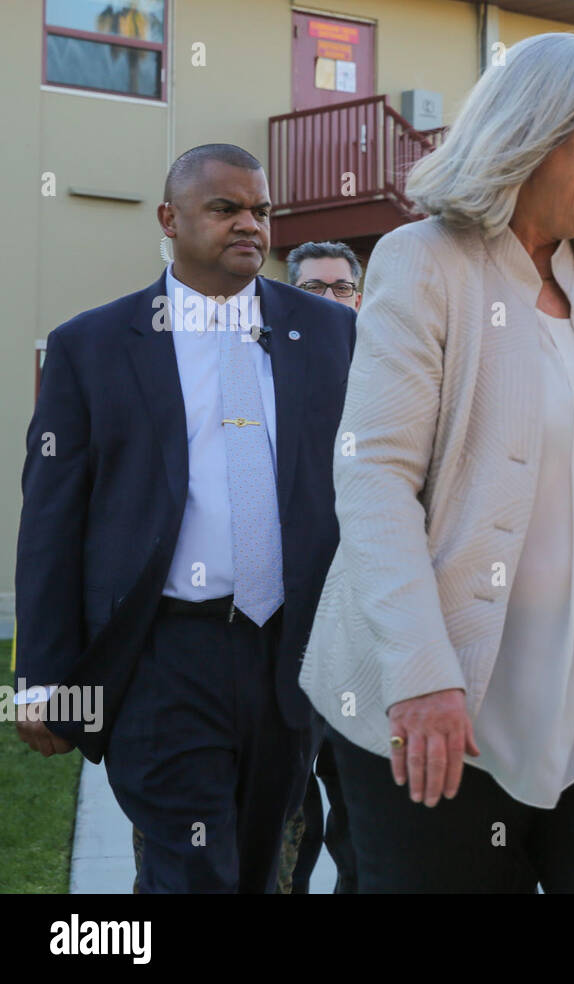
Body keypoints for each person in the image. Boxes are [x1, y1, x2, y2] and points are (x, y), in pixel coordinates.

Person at [299, 32, 574, 893]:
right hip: (450, 698)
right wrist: (421, 672)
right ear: (540, 131)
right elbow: (374, 477)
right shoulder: (423, 262)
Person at [15, 144, 357, 893]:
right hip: (161, 657)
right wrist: (41, 678)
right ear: (169, 219)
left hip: (289, 657)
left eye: (260, 210)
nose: (249, 225)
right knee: (190, 869)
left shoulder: (332, 333)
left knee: (259, 869)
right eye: (225, 208)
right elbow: (50, 520)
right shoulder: (93, 346)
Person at [275, 240, 365, 894]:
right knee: (286, 821)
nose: (329, 300)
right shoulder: (262, 374)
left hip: (365, 637)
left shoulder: (392, 371)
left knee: (365, 831)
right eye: (313, 288)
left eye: (341, 287)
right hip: (283, 635)